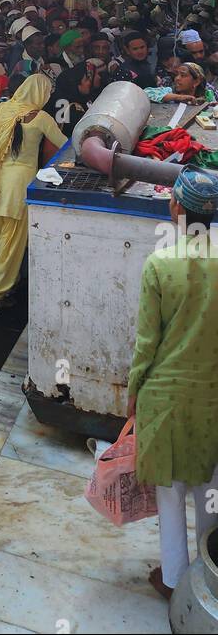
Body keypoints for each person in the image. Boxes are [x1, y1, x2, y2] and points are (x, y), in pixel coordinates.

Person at [127, 167, 218, 600]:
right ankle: (208, 579)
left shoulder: (160, 264)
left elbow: (147, 343)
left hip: (164, 397)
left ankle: (174, 581)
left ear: (175, 207)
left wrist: (133, 394)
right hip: (213, 398)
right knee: (210, 493)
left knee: (170, 493)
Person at [0, 75, 67, 308]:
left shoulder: (0, 109)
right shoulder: (41, 117)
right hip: (20, 184)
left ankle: (9, 279)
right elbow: (66, 144)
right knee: (13, 242)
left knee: (0, 239)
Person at [52, 60, 103, 138]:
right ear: (76, 84)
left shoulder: (80, 99)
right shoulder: (70, 110)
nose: (89, 83)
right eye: (87, 79)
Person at [145, 61, 216, 105]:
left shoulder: (208, 94)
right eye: (176, 75)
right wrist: (178, 97)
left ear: (196, 82)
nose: (177, 78)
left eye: (183, 75)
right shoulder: (169, 91)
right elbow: (145, 92)